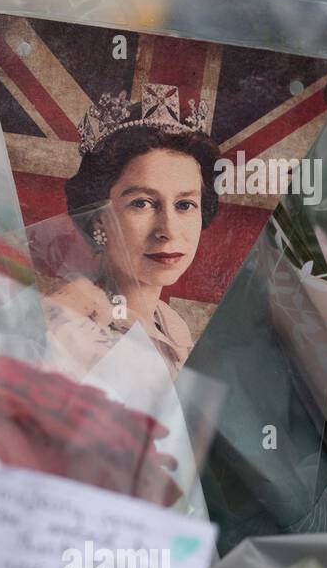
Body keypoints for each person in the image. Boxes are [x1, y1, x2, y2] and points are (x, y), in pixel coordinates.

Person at [44, 87, 221, 377]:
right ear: (98, 217)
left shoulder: (171, 325)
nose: (168, 230)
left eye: (185, 204)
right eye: (142, 203)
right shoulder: (69, 328)